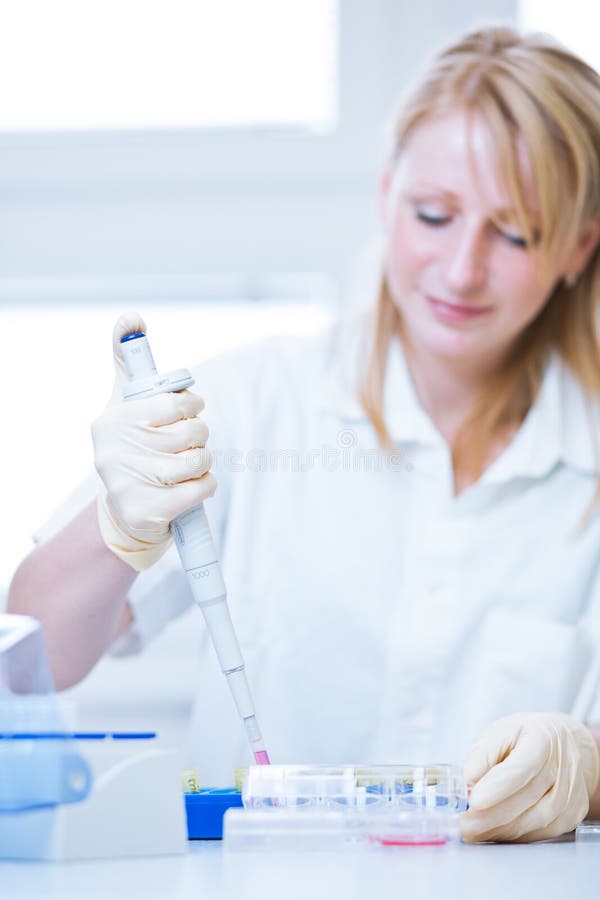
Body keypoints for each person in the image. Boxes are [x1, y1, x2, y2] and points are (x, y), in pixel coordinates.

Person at [8, 25, 600, 842]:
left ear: (580, 245)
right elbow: (36, 661)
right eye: (434, 214)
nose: (462, 269)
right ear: (386, 191)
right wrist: (117, 528)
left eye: (516, 233)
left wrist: (588, 774)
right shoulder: (254, 404)